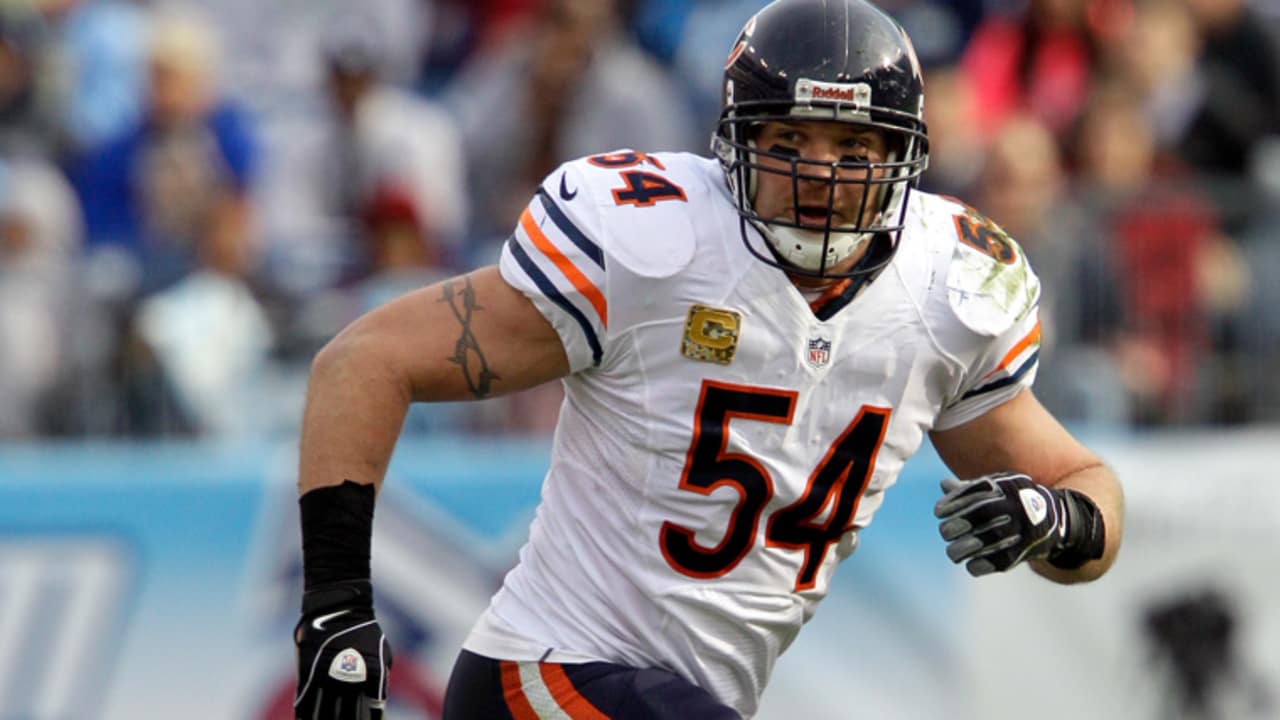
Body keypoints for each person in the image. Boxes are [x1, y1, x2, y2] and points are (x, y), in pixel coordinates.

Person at [291, 0, 1125, 718]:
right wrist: (335, 607)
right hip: (542, 675)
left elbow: (1087, 487)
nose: (818, 173)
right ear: (736, 143)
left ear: (900, 160)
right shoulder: (655, 242)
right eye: (791, 138)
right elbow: (363, 362)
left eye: (851, 147)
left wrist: (1054, 520)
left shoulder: (944, 296)